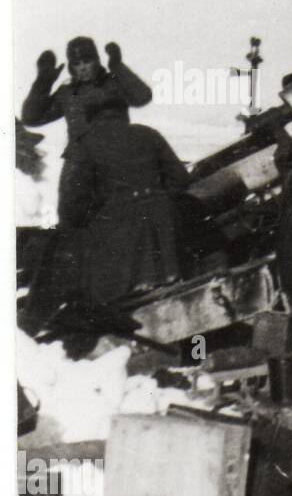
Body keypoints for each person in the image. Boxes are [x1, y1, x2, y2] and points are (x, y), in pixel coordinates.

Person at [57, 100, 192, 306]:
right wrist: (157, 199)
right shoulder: (148, 134)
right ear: (124, 112)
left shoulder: (82, 146)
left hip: (120, 238)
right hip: (165, 232)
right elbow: (180, 179)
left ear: (88, 119)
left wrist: (101, 211)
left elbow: (71, 207)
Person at [21, 37, 153, 145]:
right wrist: (43, 81)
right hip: (79, 160)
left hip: (115, 153)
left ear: (96, 61)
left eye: (87, 61)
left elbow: (142, 97)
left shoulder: (112, 83)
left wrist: (117, 66)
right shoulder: (67, 92)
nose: (82, 68)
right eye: (77, 64)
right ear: (72, 67)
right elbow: (31, 119)